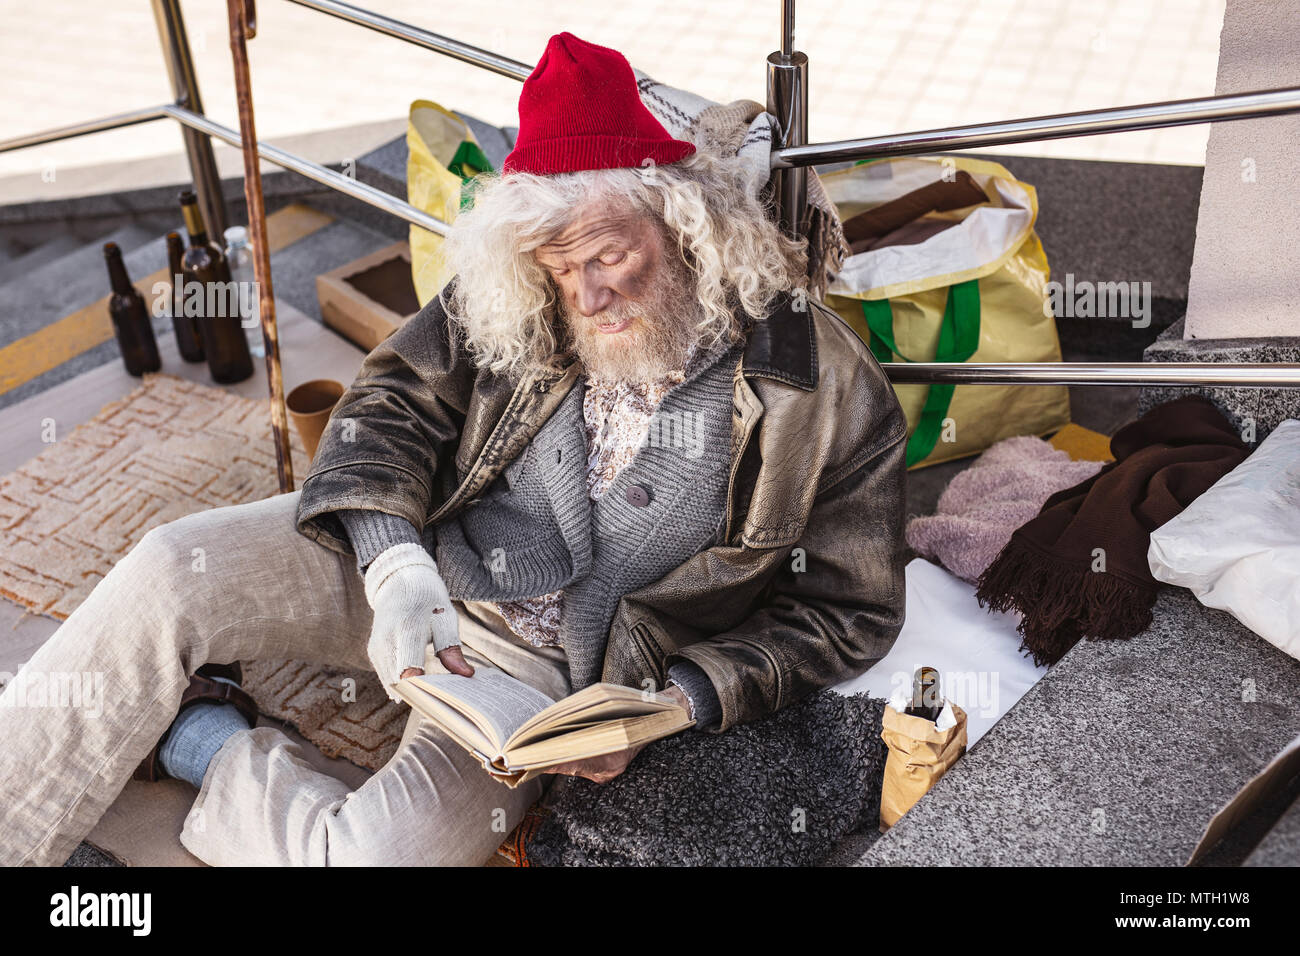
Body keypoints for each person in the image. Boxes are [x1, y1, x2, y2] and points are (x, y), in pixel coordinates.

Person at [0, 31, 907, 867]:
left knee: (370, 859)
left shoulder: (817, 381)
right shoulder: (528, 290)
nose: (583, 296)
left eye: (606, 257)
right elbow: (386, 405)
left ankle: (201, 737)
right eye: (558, 266)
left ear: (683, 222)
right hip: (423, 561)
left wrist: (672, 705)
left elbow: (847, 607)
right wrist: (395, 567)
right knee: (170, 568)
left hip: (545, 677)